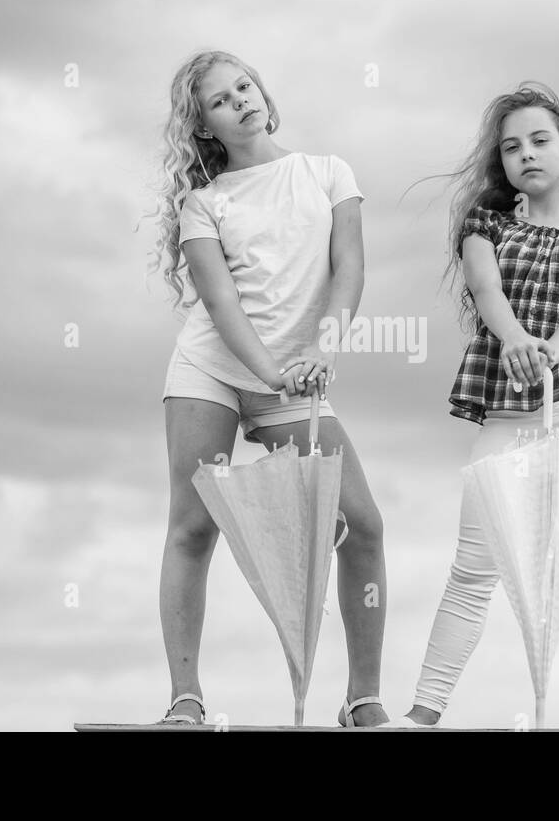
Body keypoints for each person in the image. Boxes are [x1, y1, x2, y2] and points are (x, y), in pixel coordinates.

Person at [147, 50, 390, 727]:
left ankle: (363, 697)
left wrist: (322, 350)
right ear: (205, 128)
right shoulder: (204, 203)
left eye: (244, 87)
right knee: (194, 526)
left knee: (361, 524)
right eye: (222, 101)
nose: (242, 102)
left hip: (299, 372)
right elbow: (223, 307)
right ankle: (186, 700)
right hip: (214, 371)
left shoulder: (327, 173)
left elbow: (350, 270)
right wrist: (272, 371)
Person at [392, 82, 559, 729]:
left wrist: (550, 350)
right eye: (510, 147)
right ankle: (423, 713)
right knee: (474, 564)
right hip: (507, 406)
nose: (526, 154)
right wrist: (518, 340)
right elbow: (485, 287)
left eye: (539, 140)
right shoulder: (487, 224)